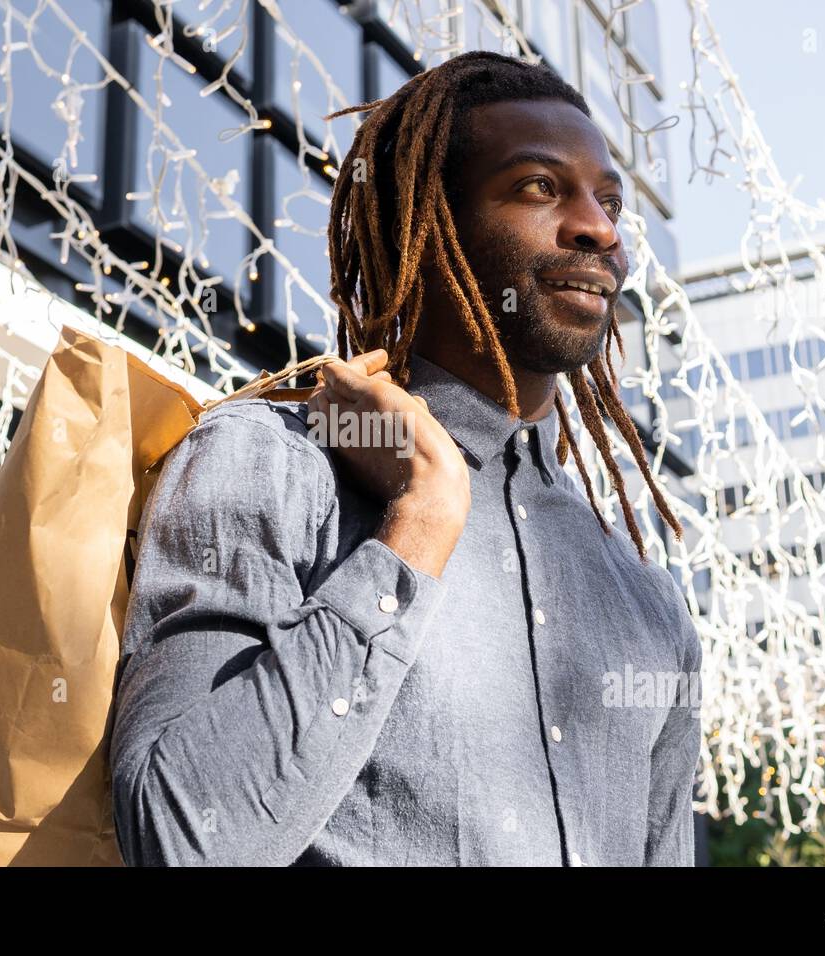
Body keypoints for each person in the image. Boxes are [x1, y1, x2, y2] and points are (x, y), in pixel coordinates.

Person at [110, 51, 703, 866]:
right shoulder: (271, 467)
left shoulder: (648, 603)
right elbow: (181, 838)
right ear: (430, 225)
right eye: (540, 186)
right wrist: (418, 525)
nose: (598, 229)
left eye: (608, 201)